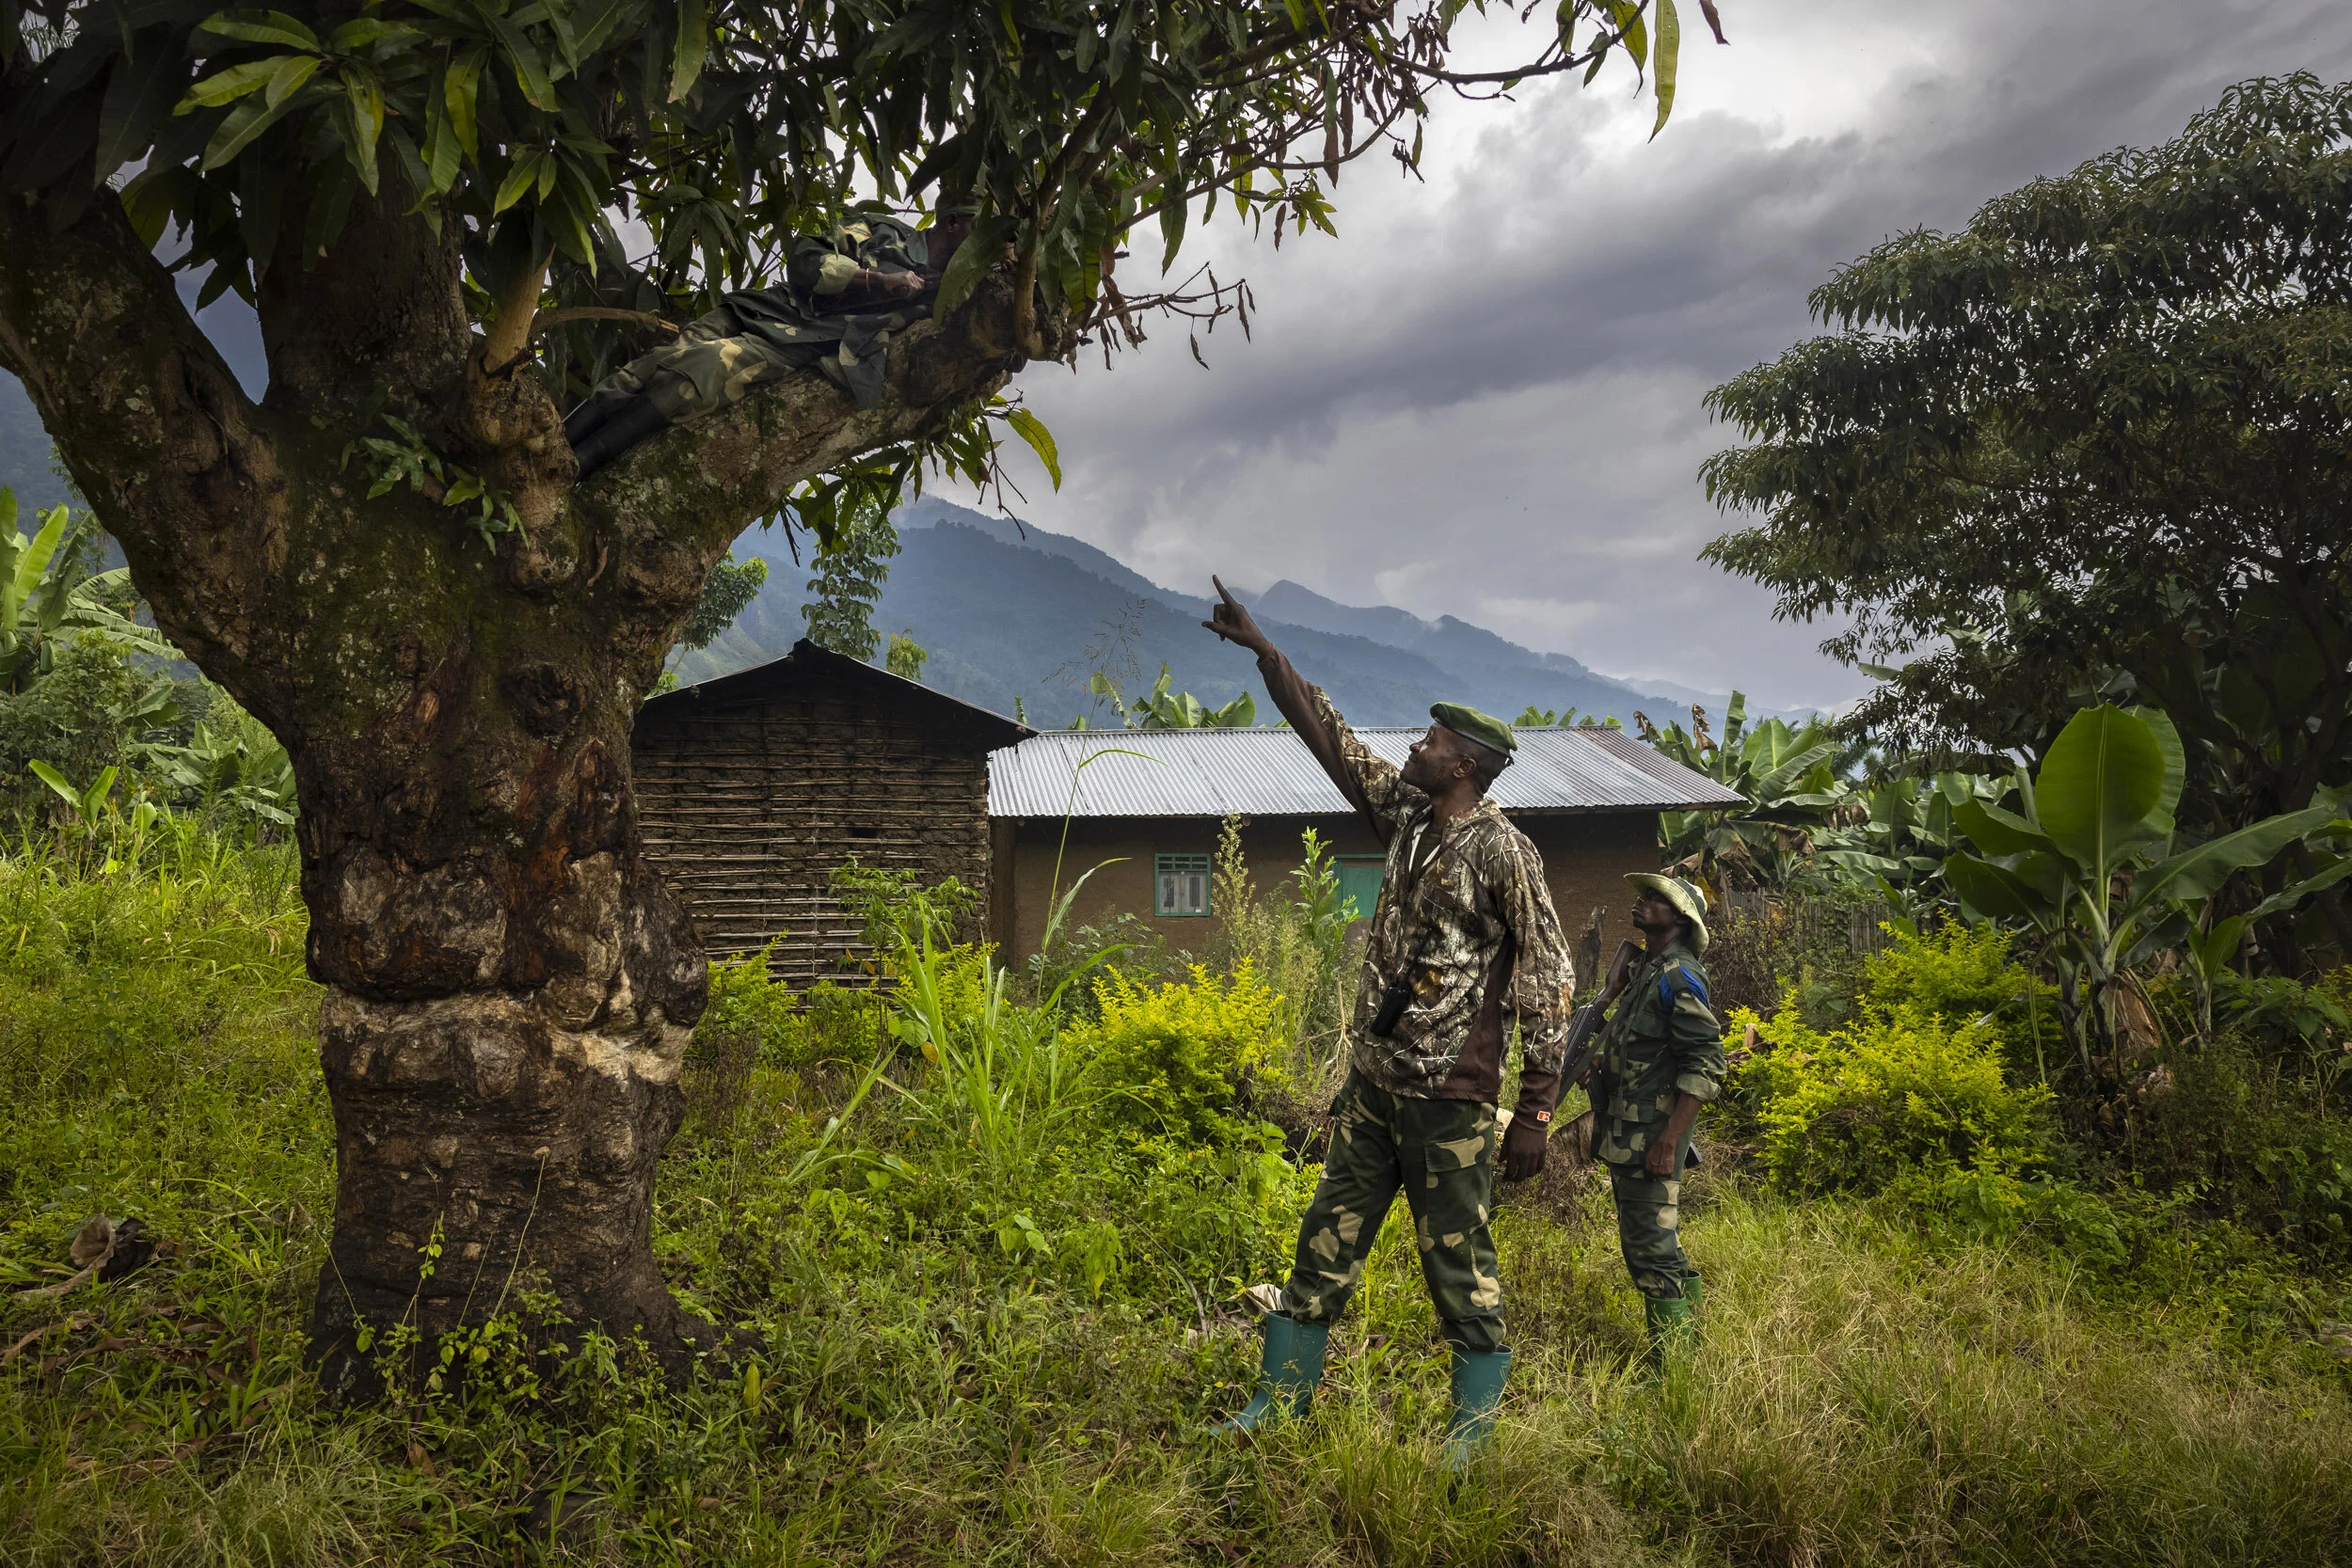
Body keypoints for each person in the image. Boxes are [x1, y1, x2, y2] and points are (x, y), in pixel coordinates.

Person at [1200, 578, 1575, 1467]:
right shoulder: (1406, 815)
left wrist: (1535, 1110)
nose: (1416, 743)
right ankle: (1277, 1404)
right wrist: (1267, 655)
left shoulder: (1502, 850)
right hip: (1375, 1089)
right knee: (1323, 1241)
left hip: (1451, 1099)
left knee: (1460, 1267)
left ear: (1464, 766)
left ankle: (1469, 1442)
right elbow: (1332, 739)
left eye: (1433, 739)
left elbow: (1548, 972)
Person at [564, 212, 974, 478]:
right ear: (954, 222)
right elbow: (807, 257)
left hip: (804, 342)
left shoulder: (954, 293)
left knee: (697, 372)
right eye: (979, 225)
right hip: (770, 308)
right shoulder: (882, 231)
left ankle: (575, 468)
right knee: (647, 367)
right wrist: (878, 280)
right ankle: (555, 447)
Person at [1582, 872, 1724, 1366]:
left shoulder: (1678, 976)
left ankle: (1675, 1368)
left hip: (1651, 1138)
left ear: (1680, 919)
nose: (1641, 903)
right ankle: (1691, 1350)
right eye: (1644, 896)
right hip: (1627, 1133)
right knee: (1651, 1241)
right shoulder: (1648, 971)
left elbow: (1706, 1063)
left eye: (1655, 900)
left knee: (1650, 1250)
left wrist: (1669, 1140)